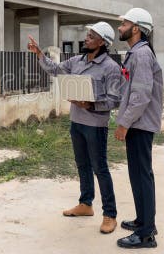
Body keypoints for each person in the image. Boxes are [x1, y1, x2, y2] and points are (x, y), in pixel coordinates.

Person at [27, 22, 122, 234]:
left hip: (96, 125)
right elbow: (55, 69)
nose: (86, 38)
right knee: (82, 164)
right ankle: (86, 204)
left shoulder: (111, 68)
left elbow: (115, 99)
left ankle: (110, 215)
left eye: (91, 36)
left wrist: (91, 104)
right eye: (87, 35)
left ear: (102, 42)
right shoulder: (76, 61)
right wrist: (39, 53)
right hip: (77, 122)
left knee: (100, 168)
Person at [113, 8, 163, 249]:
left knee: (141, 176)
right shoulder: (136, 53)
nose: (120, 27)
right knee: (139, 175)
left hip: (139, 124)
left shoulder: (141, 55)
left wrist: (124, 123)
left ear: (136, 28)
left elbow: (141, 95)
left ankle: (145, 234)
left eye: (124, 24)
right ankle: (144, 221)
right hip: (138, 123)